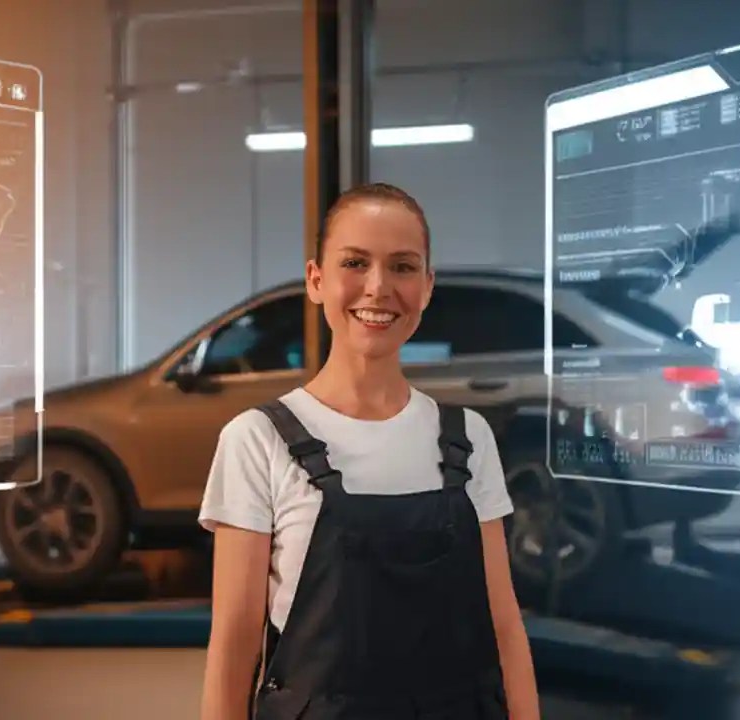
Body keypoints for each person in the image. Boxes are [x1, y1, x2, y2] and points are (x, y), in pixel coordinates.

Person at [198, 183, 541, 719]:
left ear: (427, 287)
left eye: (403, 267)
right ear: (316, 280)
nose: (378, 287)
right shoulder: (256, 440)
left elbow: (504, 626)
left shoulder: (469, 439)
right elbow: (235, 644)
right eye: (355, 262)